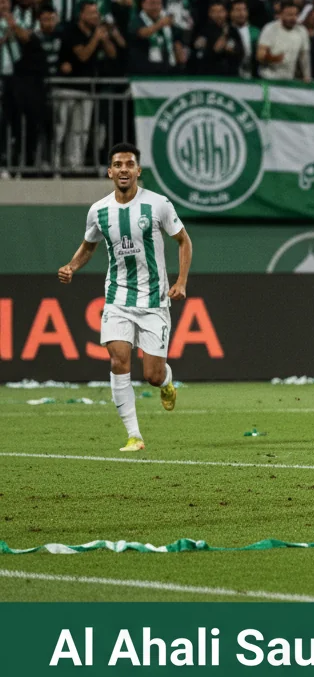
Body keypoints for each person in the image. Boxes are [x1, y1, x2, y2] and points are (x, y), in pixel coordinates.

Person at [57, 143, 193, 453]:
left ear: (138, 171)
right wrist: (72, 266)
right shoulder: (99, 210)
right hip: (117, 297)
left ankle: (166, 382)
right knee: (118, 360)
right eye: (118, 164)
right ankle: (134, 436)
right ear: (109, 171)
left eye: (129, 164)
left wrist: (181, 282)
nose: (123, 169)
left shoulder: (158, 204)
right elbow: (89, 245)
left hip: (154, 300)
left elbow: (183, 241)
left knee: (152, 375)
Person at [256, 0, 311, 81]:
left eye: (295, 15)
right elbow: (260, 56)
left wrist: (307, 76)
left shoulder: (302, 31)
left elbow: (304, 57)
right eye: (289, 15)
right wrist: (274, 58)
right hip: (268, 77)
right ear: (281, 15)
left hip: (289, 78)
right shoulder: (270, 28)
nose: (293, 18)